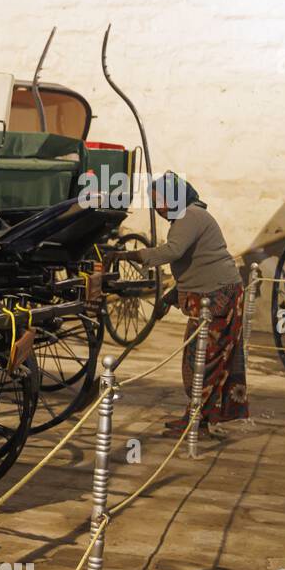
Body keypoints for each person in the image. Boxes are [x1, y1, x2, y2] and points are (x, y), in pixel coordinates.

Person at [111, 172, 248, 434]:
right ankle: (200, 418)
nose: (158, 208)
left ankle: (197, 419)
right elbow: (193, 265)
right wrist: (171, 297)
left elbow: (172, 252)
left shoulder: (190, 215)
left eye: (161, 201)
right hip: (213, 294)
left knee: (203, 359)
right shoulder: (187, 217)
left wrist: (127, 254)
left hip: (219, 296)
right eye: (154, 203)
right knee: (203, 358)